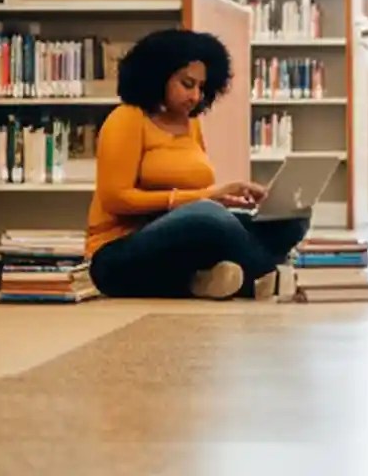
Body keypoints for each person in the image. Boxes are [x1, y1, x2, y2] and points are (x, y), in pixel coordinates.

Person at [86, 28, 308, 300]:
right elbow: (115, 199)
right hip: (119, 253)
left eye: (201, 88)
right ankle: (268, 274)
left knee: (291, 218)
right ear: (158, 76)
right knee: (208, 219)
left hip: (183, 238)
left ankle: (206, 280)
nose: (195, 96)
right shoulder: (127, 118)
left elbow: (198, 198)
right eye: (187, 84)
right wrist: (205, 199)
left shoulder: (191, 124)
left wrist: (231, 195)